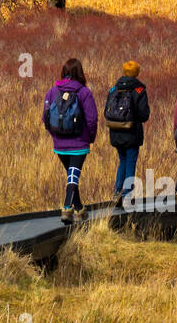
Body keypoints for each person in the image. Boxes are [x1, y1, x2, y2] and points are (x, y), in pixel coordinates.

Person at [43, 57, 98, 223]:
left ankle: (80, 210)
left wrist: (55, 135)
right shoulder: (84, 92)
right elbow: (92, 120)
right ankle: (67, 208)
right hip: (79, 143)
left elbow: (45, 117)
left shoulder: (52, 91)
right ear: (80, 73)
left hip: (59, 144)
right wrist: (90, 138)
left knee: (71, 175)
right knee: (73, 176)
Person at [105, 59, 150, 206]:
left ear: (124, 72)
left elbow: (106, 112)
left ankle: (117, 193)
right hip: (132, 134)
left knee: (122, 161)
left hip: (116, 133)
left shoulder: (113, 89)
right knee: (130, 162)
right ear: (137, 73)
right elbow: (144, 116)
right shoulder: (139, 91)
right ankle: (127, 196)